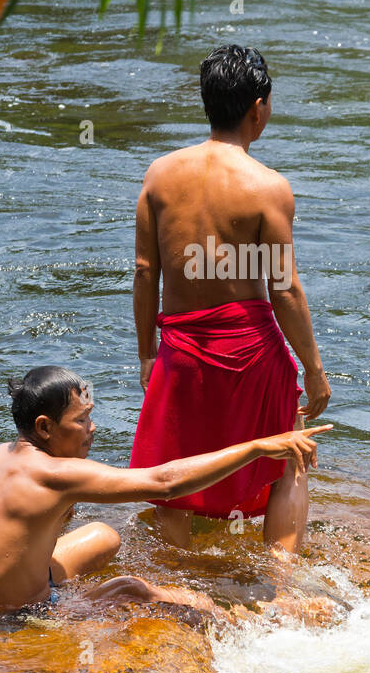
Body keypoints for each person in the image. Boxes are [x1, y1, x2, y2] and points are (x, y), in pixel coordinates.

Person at [130, 43, 331, 554]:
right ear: (258, 107)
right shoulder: (268, 187)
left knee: (173, 474)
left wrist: (148, 353)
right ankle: (281, 583)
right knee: (288, 457)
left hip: (181, 347)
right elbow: (283, 287)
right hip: (250, 348)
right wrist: (312, 367)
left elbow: (144, 271)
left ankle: (172, 587)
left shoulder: (159, 175)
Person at [0, 365, 329, 614]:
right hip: (4, 619)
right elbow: (166, 483)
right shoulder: (52, 475)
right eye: (83, 419)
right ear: (44, 427)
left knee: (103, 537)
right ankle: (248, 618)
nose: (93, 428)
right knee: (132, 589)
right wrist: (259, 447)